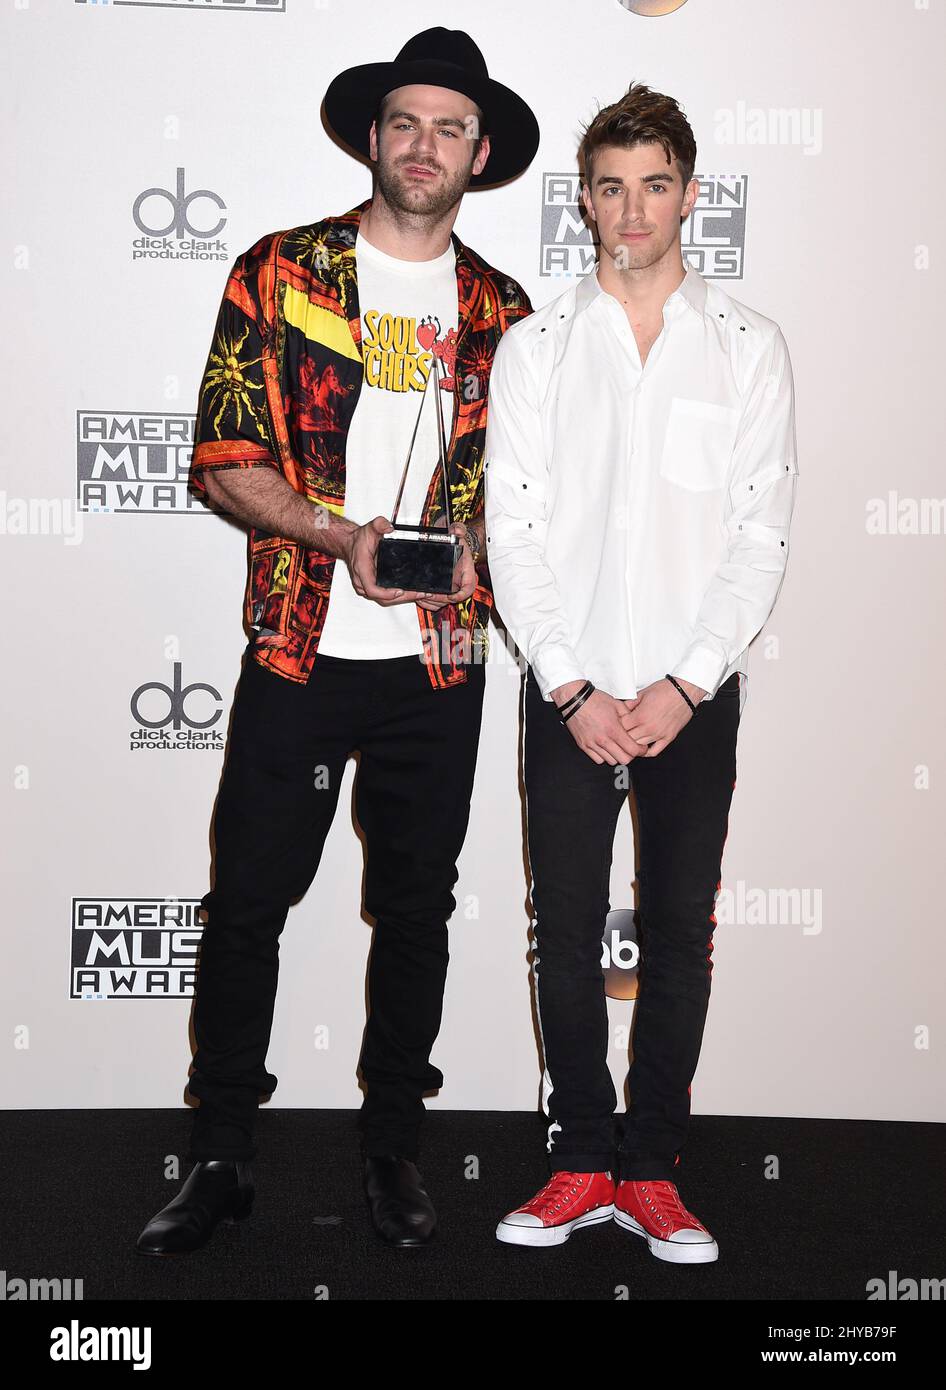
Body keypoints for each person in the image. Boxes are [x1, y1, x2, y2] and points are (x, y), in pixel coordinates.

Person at [135, 27, 537, 1255]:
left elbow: (528, 499)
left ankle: (393, 1152)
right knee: (249, 901)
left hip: (438, 665)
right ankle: (218, 1156)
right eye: (405, 122)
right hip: (300, 652)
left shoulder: (506, 316)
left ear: (479, 154)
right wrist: (336, 537)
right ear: (374, 136)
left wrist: (486, 556)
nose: (425, 145)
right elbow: (225, 457)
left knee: (416, 909)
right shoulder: (279, 271)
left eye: (450, 128)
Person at [485, 81, 798, 1261]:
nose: (631, 210)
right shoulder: (537, 349)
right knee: (560, 930)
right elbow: (510, 531)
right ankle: (576, 1160)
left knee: (678, 930)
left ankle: (653, 1168)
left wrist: (684, 684)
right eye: (610, 187)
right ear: (585, 200)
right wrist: (568, 685)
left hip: (690, 697)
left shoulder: (748, 349)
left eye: (653, 185)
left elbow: (759, 532)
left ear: (689, 195)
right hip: (567, 694)